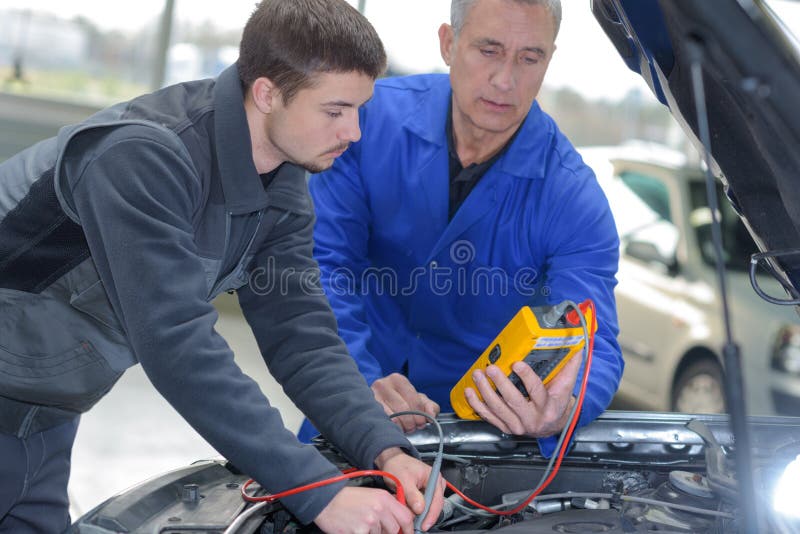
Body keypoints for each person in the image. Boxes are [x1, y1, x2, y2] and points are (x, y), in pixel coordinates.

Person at [0, 1, 444, 532]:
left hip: (40, 407)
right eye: (335, 110)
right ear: (267, 93)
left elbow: (303, 338)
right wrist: (318, 493)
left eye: (359, 110)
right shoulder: (144, 156)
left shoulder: (280, 187)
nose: (355, 132)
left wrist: (384, 448)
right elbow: (179, 347)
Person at [302, 0, 624, 456]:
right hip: (346, 401)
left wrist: (565, 406)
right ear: (448, 44)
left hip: (482, 440)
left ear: (548, 60)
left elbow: (591, 338)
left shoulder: (574, 197)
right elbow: (324, 267)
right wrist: (358, 379)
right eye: (489, 50)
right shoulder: (366, 125)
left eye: (529, 58)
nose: (505, 80)